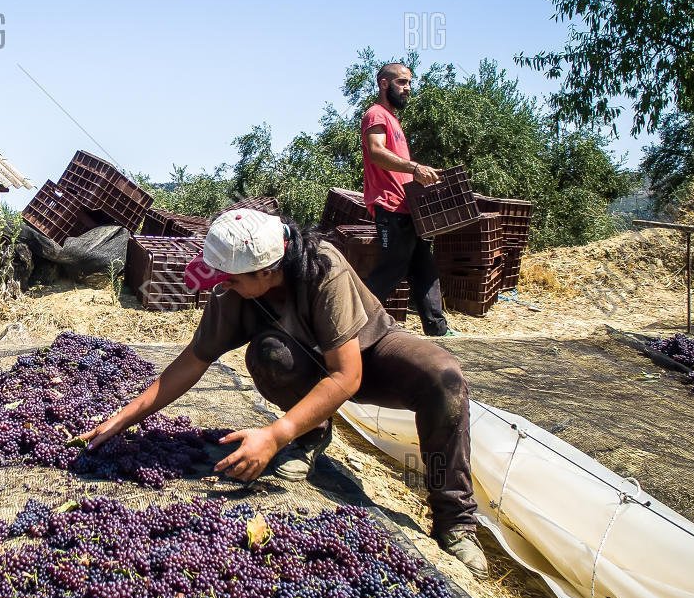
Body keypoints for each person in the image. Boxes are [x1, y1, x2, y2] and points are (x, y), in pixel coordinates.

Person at [77, 207, 488, 577]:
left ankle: (454, 517)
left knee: (444, 379)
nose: (224, 286)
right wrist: (126, 416)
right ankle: (310, 434)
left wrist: (273, 435)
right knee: (269, 353)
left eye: (233, 279)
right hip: (304, 365)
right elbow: (192, 362)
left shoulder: (323, 268)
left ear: (268, 271)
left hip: (368, 354)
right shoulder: (235, 291)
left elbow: (347, 376)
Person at [360, 62, 451, 337]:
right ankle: (353, 325)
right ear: (384, 84)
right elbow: (376, 152)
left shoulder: (393, 119)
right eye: (402, 82)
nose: (408, 88)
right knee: (393, 268)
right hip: (389, 206)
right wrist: (414, 168)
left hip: (407, 207)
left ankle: (438, 329)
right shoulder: (375, 115)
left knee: (424, 267)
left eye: (409, 83)